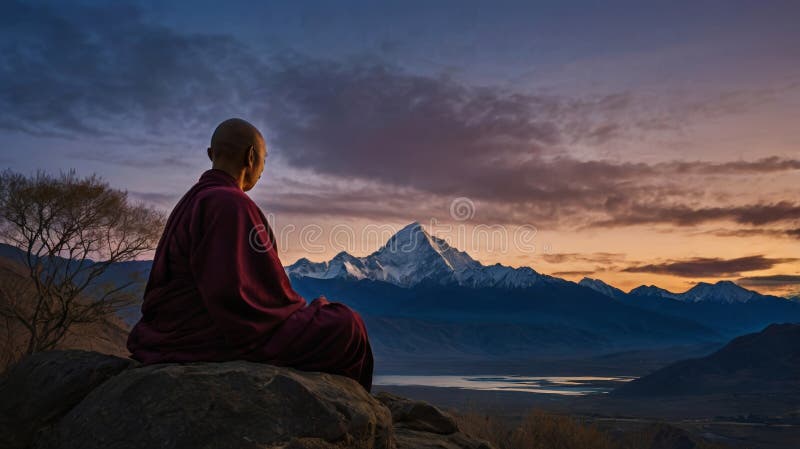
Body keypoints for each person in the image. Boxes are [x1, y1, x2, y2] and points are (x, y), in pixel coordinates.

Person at [127, 118, 374, 392]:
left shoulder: (195, 200)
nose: (262, 171)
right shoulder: (229, 203)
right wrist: (300, 311)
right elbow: (245, 301)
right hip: (213, 336)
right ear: (251, 157)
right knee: (347, 325)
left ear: (211, 155)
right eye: (264, 162)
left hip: (177, 329)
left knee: (329, 316)